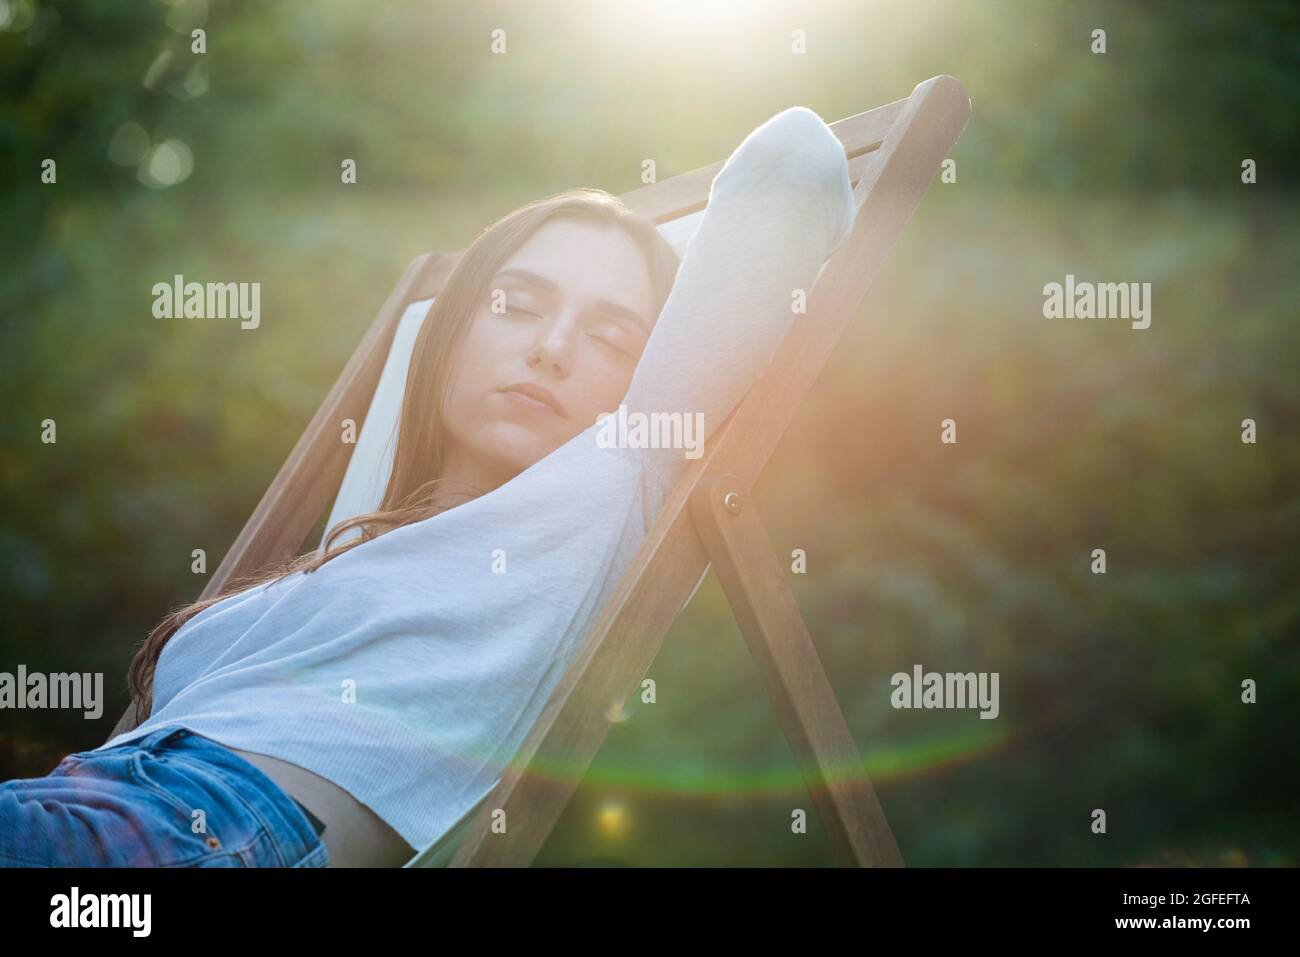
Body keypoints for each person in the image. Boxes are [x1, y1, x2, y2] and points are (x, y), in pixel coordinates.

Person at [0, 105, 858, 867]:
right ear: (447, 334)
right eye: (517, 303)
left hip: (202, 831)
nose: (553, 346)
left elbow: (796, 164)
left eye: (611, 335)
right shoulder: (351, 553)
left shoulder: (619, 481)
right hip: (88, 805)